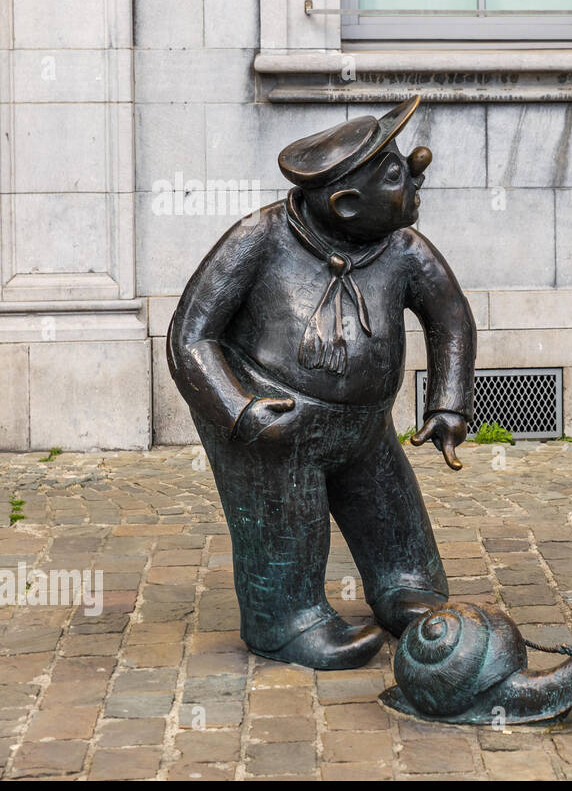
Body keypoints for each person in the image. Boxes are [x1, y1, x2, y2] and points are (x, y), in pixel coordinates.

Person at [168, 97, 476, 668]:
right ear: (346, 204)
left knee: (389, 508)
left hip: (365, 425)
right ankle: (285, 618)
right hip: (275, 425)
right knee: (287, 521)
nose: (417, 166)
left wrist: (449, 403)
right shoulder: (257, 238)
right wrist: (239, 409)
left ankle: (403, 585)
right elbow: (190, 337)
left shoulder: (403, 248)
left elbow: (450, 317)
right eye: (394, 172)